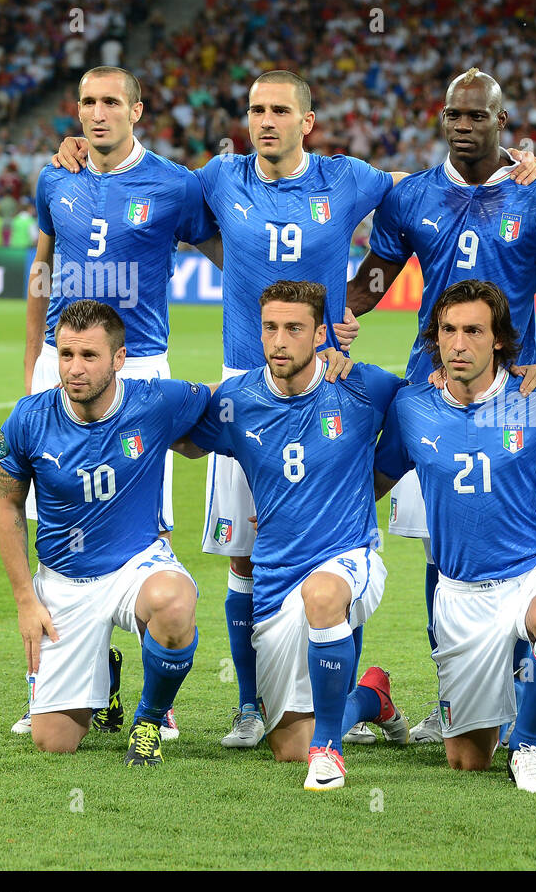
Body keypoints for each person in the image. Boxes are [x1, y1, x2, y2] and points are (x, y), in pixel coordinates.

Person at [52, 70, 536, 746]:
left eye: (280, 110)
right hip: (242, 386)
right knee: (243, 555)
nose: (265, 120)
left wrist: (514, 171)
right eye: (255, 109)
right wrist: (81, 151)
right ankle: (251, 707)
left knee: (339, 542)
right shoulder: (218, 179)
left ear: (306, 122)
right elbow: (142, 174)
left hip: (329, 386)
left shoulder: (349, 179)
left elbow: (431, 181)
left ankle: (339, 708)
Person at [346, 69, 536, 746]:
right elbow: (377, 276)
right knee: (446, 540)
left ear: (504, 122)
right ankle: (455, 693)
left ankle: (529, 697)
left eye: (477, 115)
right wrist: (331, 318)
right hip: (431, 390)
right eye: (453, 114)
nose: (463, 124)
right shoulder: (412, 196)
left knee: (518, 536)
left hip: (512, 393)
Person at [14, 65, 220, 740]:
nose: (97, 114)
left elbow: (227, 253)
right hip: (61, 359)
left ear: (138, 108)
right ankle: (58, 680)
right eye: (87, 102)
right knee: (53, 519)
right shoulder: (55, 178)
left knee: (145, 525)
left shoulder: (173, 184)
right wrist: (32, 364)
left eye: (111, 102)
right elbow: (42, 266)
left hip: (140, 367)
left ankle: (157, 694)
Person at [174, 280, 408, 790]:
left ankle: (329, 751)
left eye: (294, 329)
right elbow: (188, 441)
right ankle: (370, 697)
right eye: (270, 328)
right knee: (286, 749)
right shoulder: (239, 400)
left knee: (323, 596)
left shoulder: (361, 386)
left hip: (350, 560)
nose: (279, 341)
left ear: (321, 334)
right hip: (277, 578)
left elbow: (432, 399)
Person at [374, 281, 536, 792]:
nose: (458, 343)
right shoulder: (411, 408)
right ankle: (511, 696)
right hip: (460, 593)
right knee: (467, 762)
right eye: (448, 330)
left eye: (473, 330)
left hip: (529, 571)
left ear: (498, 341)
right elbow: (369, 485)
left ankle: (529, 745)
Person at [0, 301, 211, 765]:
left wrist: (321, 363)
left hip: (136, 564)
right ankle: (104, 679)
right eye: (66, 354)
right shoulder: (28, 419)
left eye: (89, 356)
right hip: (64, 581)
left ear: (118, 358)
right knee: (54, 741)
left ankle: (149, 720)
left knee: (173, 602)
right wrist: (25, 600)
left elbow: (232, 396)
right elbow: (9, 503)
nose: (75, 368)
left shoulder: (154, 401)